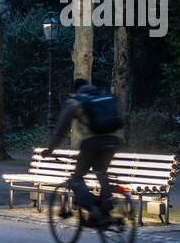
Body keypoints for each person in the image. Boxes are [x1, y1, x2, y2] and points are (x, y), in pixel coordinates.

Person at [44, 78, 125, 226]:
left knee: (77, 178)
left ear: (75, 89)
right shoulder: (103, 96)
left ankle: (93, 209)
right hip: (115, 140)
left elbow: (60, 130)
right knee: (101, 171)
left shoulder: (76, 100)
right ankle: (105, 207)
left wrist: (50, 149)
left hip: (92, 142)